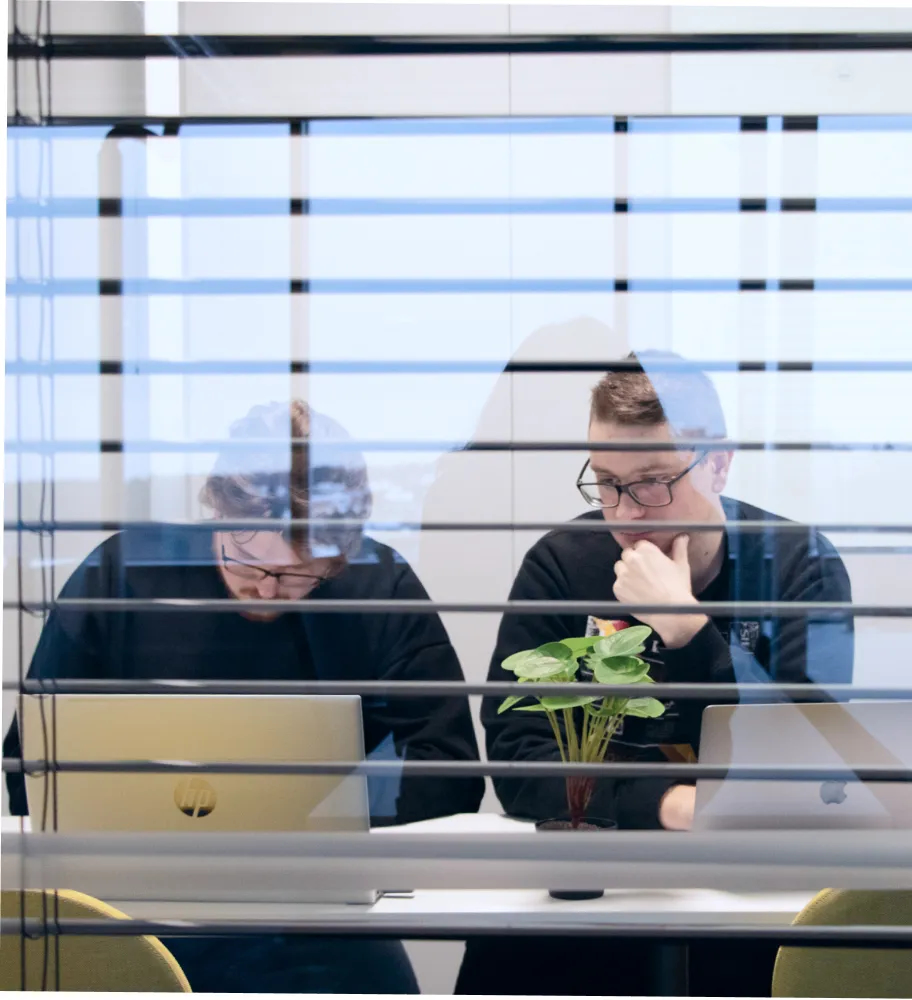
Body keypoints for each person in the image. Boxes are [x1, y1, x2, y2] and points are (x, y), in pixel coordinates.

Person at [4, 399, 485, 994]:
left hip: (319, 910)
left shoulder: (380, 587)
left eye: (298, 576)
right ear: (216, 509)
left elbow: (449, 767)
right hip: (136, 905)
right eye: (247, 560)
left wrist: (324, 823)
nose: (266, 587)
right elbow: (30, 761)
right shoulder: (121, 575)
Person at [455, 351, 854, 997]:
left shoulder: (797, 566)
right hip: (593, 895)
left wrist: (686, 629)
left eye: (652, 481)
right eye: (607, 482)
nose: (626, 512)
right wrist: (671, 804)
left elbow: (805, 765)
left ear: (719, 464)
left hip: (742, 900)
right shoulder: (563, 564)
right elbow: (518, 755)